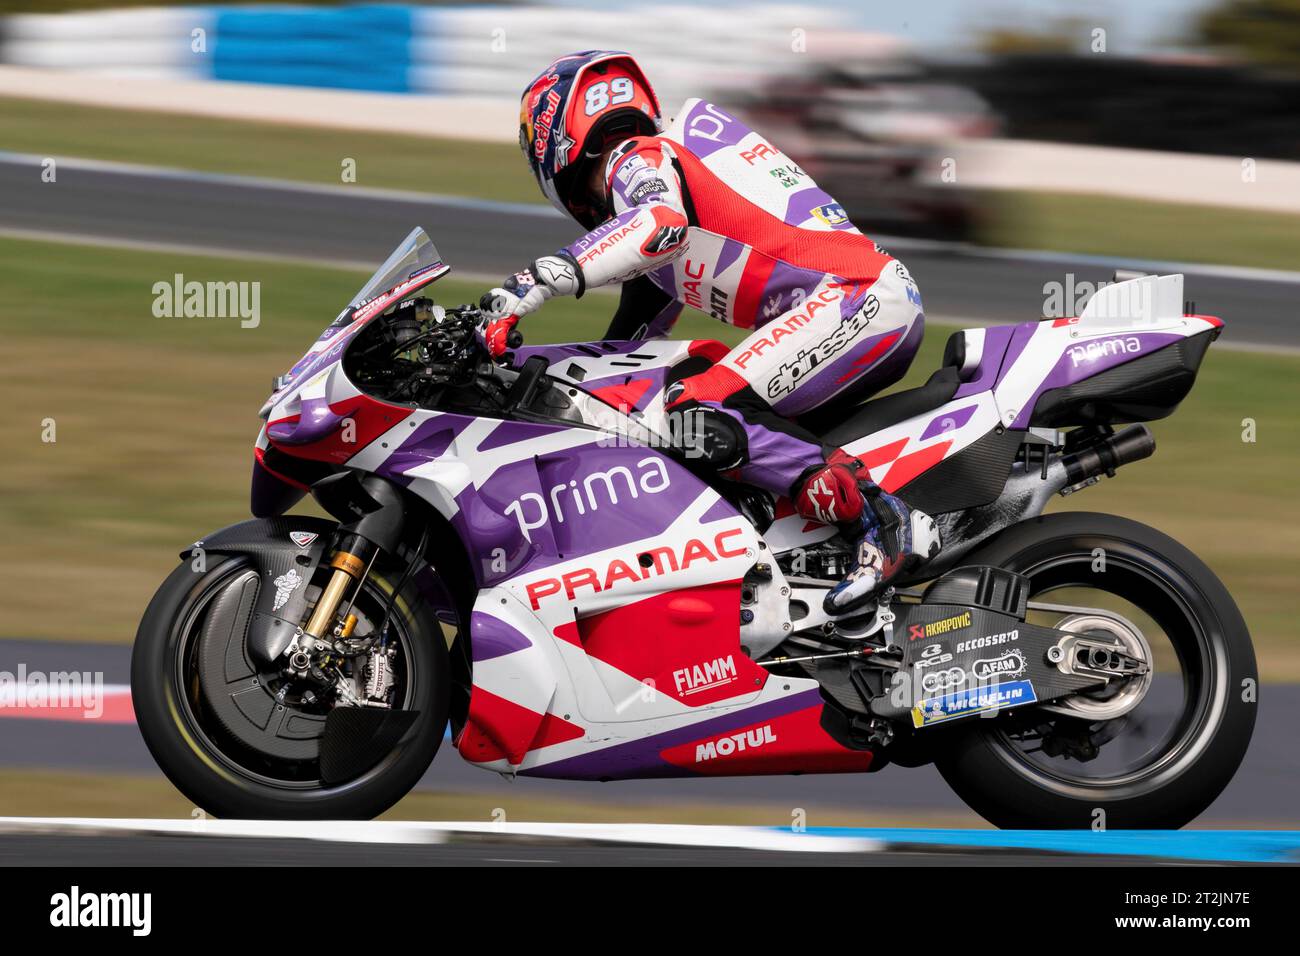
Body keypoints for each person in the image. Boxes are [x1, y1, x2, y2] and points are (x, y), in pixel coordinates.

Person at [480, 50, 939, 614]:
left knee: (695, 410)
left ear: (556, 136)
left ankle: (883, 519)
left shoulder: (638, 158)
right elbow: (625, 353)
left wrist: (532, 284)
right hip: (856, 300)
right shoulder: (659, 178)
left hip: (854, 297)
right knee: (669, 408)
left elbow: (659, 225)